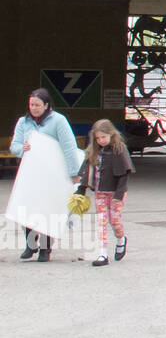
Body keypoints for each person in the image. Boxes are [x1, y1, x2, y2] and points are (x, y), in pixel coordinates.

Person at [9, 88, 83, 262]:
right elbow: (15, 145)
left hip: (51, 174)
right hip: (30, 172)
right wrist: (22, 149)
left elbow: (69, 147)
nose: (34, 108)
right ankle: (30, 244)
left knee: (48, 210)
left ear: (46, 105)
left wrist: (74, 173)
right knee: (26, 207)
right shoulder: (23, 122)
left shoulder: (58, 120)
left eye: (37, 105)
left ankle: (45, 248)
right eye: (31, 105)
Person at [75, 119, 134, 266]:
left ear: (111, 134)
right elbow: (86, 171)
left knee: (114, 220)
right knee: (101, 222)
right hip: (100, 192)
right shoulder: (93, 151)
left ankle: (121, 239)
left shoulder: (119, 149)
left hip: (115, 193)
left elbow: (124, 174)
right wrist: (81, 190)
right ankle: (102, 254)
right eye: (98, 138)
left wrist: (119, 195)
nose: (101, 141)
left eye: (103, 137)